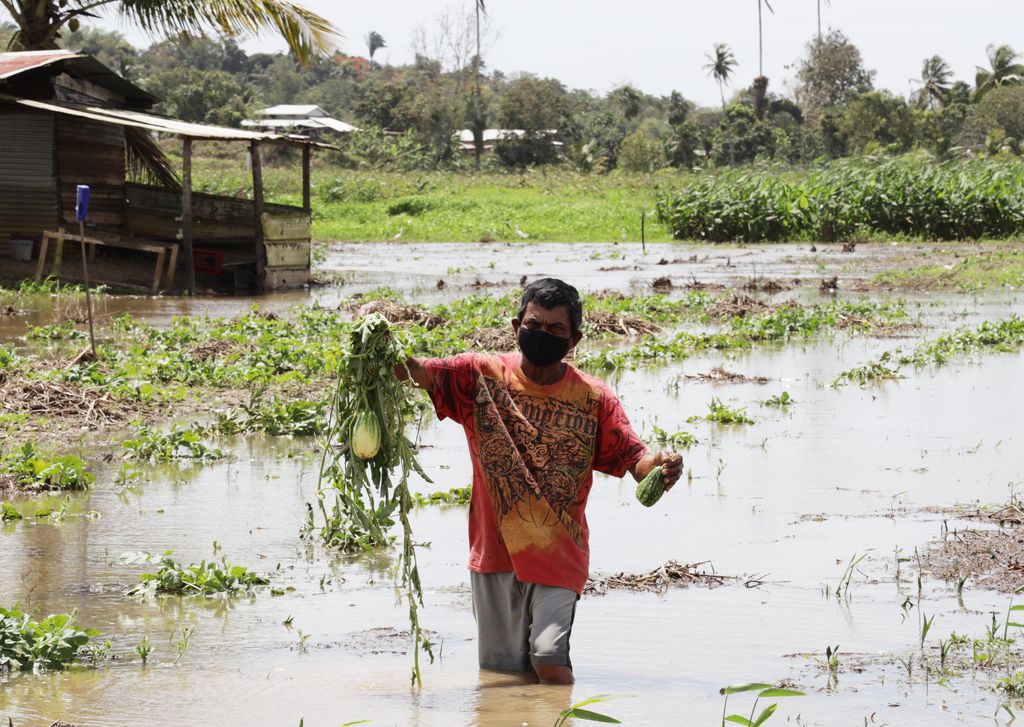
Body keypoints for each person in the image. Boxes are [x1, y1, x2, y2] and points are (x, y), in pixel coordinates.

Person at [397, 278, 682, 685]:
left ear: (575, 339)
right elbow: (417, 372)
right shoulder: (480, 377)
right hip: (494, 554)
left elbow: (634, 458)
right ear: (516, 327)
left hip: (558, 554)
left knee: (549, 657)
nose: (542, 335)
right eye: (534, 325)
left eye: (555, 330)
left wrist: (661, 467)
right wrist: (374, 343)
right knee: (502, 678)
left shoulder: (593, 399)